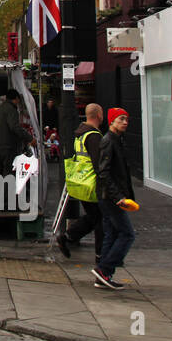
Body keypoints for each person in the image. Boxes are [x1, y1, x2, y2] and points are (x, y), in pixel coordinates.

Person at [92, 107, 137, 290]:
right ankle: (104, 269)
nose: (125, 122)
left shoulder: (116, 140)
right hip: (110, 198)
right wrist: (118, 197)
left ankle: (103, 276)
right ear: (111, 122)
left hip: (109, 196)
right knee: (127, 234)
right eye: (121, 119)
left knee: (111, 233)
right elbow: (103, 172)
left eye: (126, 119)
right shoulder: (109, 141)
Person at [57, 103, 104, 264]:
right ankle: (101, 257)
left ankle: (68, 237)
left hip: (82, 182)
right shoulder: (94, 136)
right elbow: (99, 163)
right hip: (92, 184)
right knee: (100, 220)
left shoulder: (80, 134)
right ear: (99, 115)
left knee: (94, 217)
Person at [0, 89, 34, 176]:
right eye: (18, 100)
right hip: (8, 144)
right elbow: (14, 127)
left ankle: (1, 188)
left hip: (0, 143)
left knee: (1, 170)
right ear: (16, 98)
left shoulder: (1, 108)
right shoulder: (11, 109)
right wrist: (29, 138)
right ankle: (7, 189)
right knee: (8, 170)